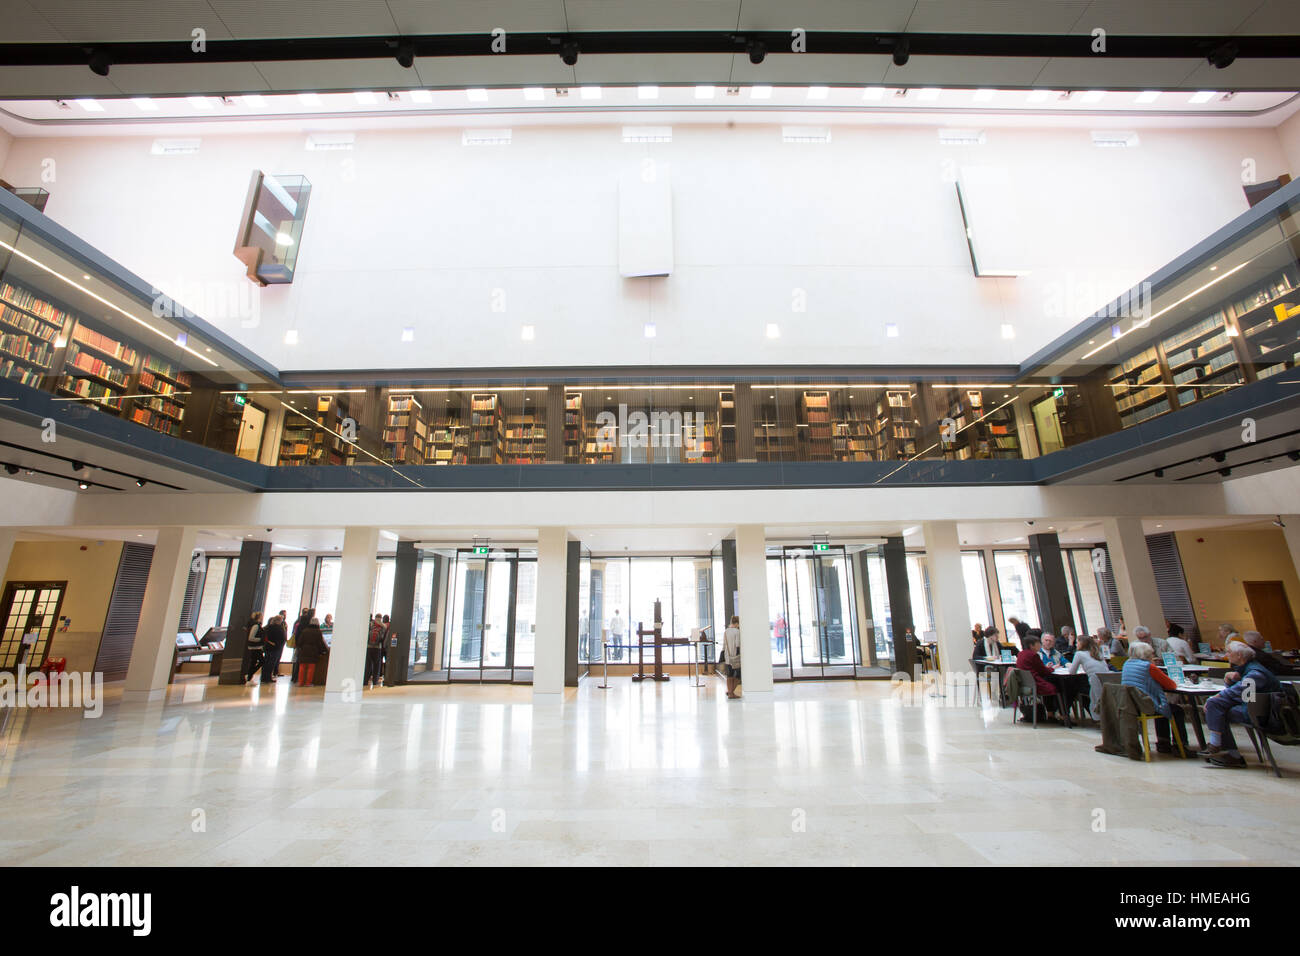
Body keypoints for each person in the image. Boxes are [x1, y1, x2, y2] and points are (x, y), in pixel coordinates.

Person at [1202, 640, 1281, 767]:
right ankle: (1224, 750)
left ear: (1239, 655)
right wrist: (1228, 680)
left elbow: (1240, 691)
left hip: (1265, 714)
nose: (1226, 655)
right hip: (1254, 707)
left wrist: (1217, 696)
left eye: (1229, 652)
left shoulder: (1255, 673)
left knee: (1218, 710)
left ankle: (1224, 750)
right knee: (1215, 706)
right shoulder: (1248, 670)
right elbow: (1242, 694)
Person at [1120, 641, 1189, 755]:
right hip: (1146, 705)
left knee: (1160, 706)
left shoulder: (1127, 664)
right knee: (1175, 710)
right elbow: (1171, 685)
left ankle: (1163, 742)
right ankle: (1180, 745)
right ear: (1147, 655)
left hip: (1132, 705)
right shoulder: (1149, 667)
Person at [1014, 634, 1062, 722]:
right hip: (1035, 683)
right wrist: (1052, 668)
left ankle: (1052, 713)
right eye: (1038, 643)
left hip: (1025, 683)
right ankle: (1056, 714)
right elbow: (1043, 671)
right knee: (1056, 687)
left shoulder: (1021, 654)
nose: (1040, 645)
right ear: (1032, 645)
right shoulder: (1033, 655)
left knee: (1050, 683)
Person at [1067, 633, 1110, 720]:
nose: (1076, 644)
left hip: (1094, 681)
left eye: (1077, 642)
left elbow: (1072, 672)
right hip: (1106, 679)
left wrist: (1069, 665)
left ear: (1082, 644)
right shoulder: (1097, 652)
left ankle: (1100, 719)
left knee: (1093, 699)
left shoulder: (1079, 654)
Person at [294, 616, 328, 687]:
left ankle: (300, 682)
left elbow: (300, 642)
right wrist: (324, 650)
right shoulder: (318, 632)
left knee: (302, 667)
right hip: (313, 650)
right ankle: (308, 683)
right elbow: (320, 643)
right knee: (311, 668)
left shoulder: (305, 631)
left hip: (304, 650)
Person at [260, 613, 287, 684]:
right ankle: (268, 678)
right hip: (275, 648)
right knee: (271, 663)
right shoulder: (279, 628)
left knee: (266, 662)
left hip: (268, 647)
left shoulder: (268, 627)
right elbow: (282, 638)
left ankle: (263, 677)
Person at [722, 615, 742, 699]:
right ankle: (731, 692)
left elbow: (724, 645)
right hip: (735, 656)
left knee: (729, 675)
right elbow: (738, 644)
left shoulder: (726, 631)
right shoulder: (737, 632)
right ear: (737, 623)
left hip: (727, 656)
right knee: (738, 675)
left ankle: (730, 692)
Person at [242, 611, 265, 683]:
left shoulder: (257, 625)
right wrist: (260, 639)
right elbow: (251, 637)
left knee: (253, 662)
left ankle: (249, 677)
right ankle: (249, 674)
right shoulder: (255, 626)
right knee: (262, 661)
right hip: (255, 647)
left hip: (256, 647)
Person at [365, 613, 385, 688]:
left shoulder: (370, 624)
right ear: (381, 618)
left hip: (369, 647)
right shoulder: (383, 625)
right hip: (377, 647)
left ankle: (365, 680)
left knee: (368, 664)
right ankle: (375, 681)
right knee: (377, 665)